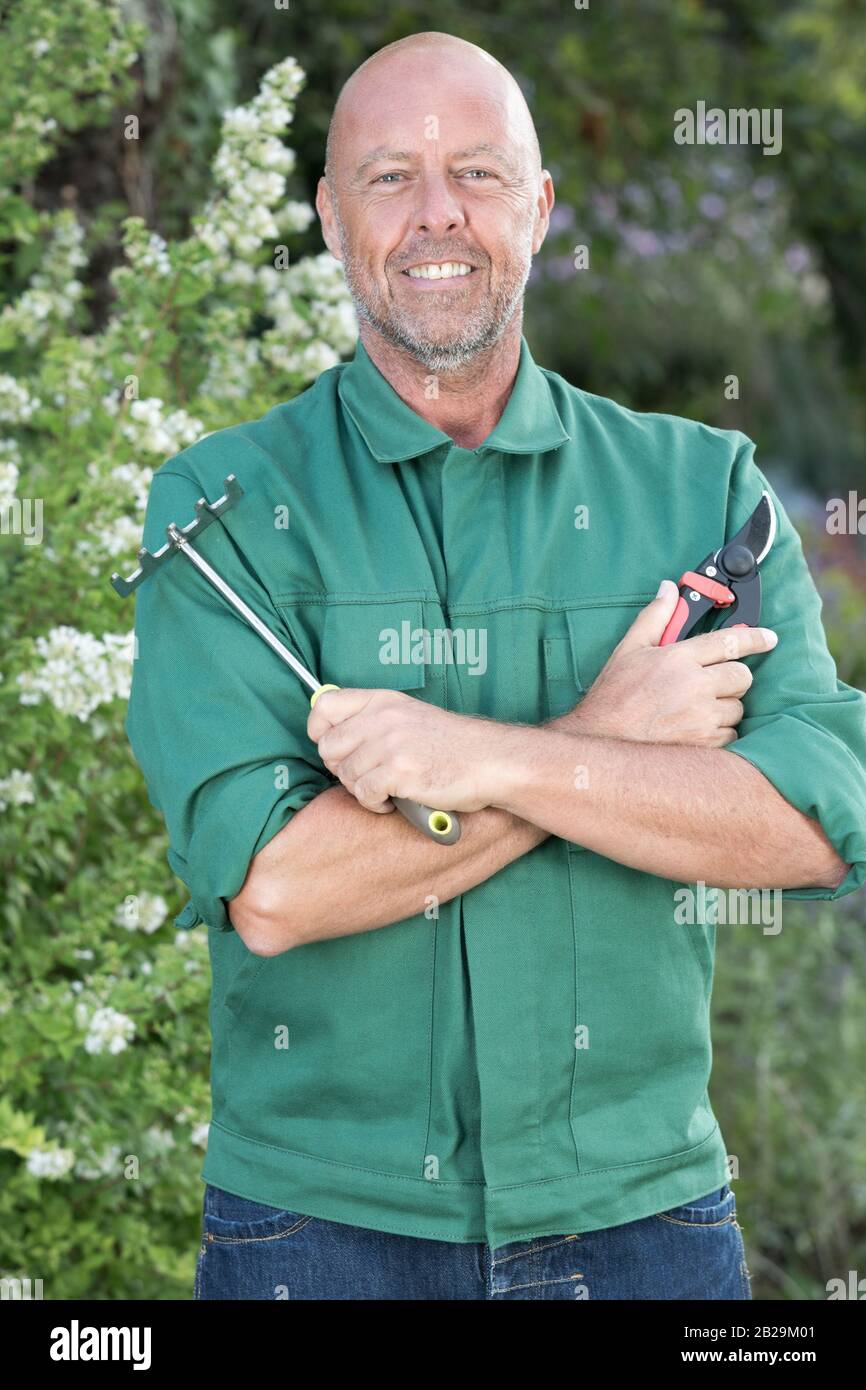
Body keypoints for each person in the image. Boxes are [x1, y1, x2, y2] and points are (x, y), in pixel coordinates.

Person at [126, 32, 866, 1300]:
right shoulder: (224, 506)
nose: (436, 216)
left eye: (475, 171)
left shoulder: (702, 490)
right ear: (325, 214)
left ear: (540, 205)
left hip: (646, 1225)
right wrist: (609, 737)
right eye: (387, 177)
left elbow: (809, 823)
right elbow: (281, 890)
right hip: (318, 1233)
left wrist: (488, 754)